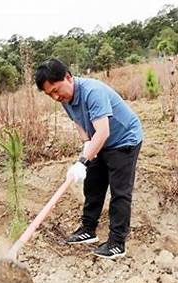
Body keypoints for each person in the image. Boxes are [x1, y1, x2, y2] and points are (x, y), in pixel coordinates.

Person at [35, 58, 143, 259]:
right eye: (50, 94)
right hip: (99, 141)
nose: (55, 96)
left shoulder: (93, 92)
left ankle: (117, 243)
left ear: (68, 77)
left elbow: (103, 132)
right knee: (93, 184)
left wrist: (82, 161)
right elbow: (79, 122)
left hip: (124, 140)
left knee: (120, 192)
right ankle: (88, 230)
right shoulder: (65, 99)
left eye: (56, 90)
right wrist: (86, 146)